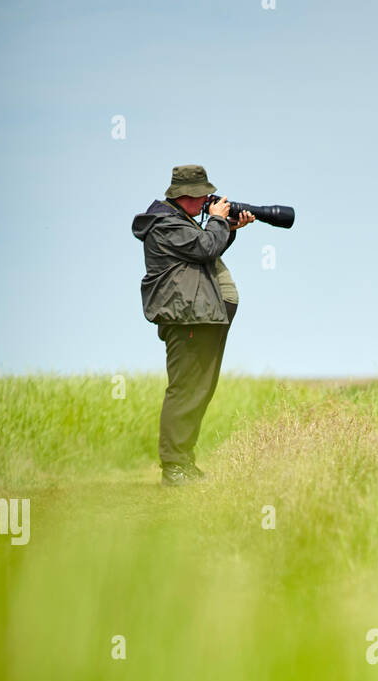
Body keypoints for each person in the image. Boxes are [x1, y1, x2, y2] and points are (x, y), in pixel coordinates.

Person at [131, 165, 255, 486]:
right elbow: (204, 248)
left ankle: (184, 462)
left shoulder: (180, 222)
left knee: (200, 391)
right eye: (201, 197)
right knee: (185, 391)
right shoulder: (164, 224)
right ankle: (173, 467)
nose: (205, 202)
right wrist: (216, 221)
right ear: (184, 195)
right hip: (187, 317)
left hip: (200, 316)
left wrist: (228, 228)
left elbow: (205, 253)